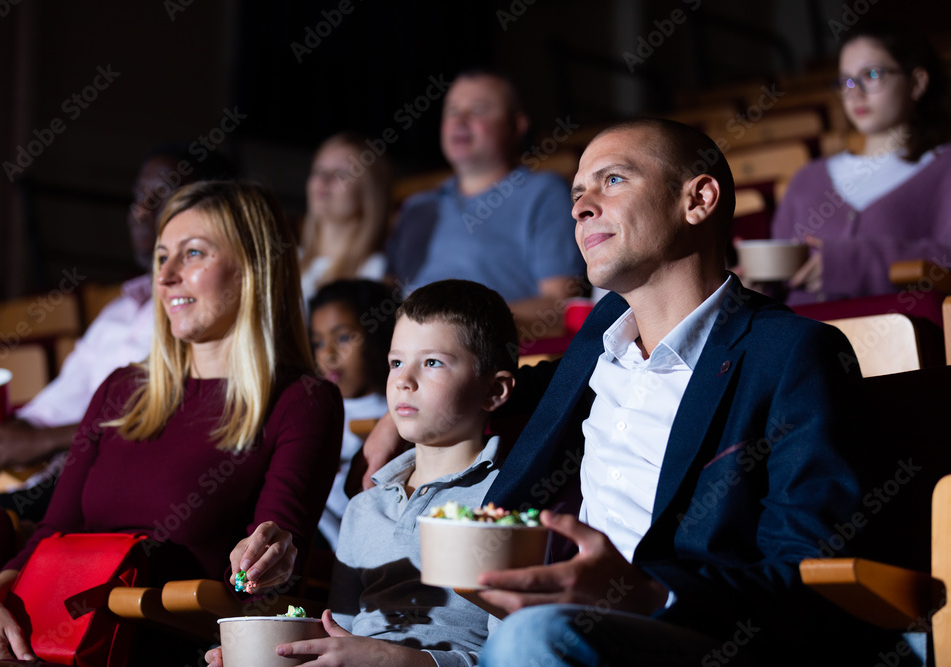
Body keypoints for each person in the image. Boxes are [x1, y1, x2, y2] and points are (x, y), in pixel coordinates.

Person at [366, 119, 873, 665]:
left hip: (699, 633)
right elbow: (525, 387)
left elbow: (810, 568)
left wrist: (651, 593)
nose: (582, 207)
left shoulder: (792, 353)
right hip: (548, 623)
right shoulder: (601, 340)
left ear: (698, 200)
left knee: (529, 639)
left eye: (611, 181)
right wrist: (398, 409)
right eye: (577, 194)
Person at [0, 181, 343, 664]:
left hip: (178, 645)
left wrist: (260, 564)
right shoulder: (120, 389)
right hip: (63, 641)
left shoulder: (303, 400)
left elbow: (269, 579)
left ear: (253, 268)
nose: (164, 276)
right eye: (161, 257)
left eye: (192, 254)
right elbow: (54, 530)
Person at [207, 278, 518, 667]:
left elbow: (515, 654)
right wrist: (277, 653)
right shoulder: (365, 506)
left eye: (433, 362)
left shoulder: (509, 499)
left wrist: (393, 659)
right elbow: (342, 632)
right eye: (396, 362)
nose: (404, 380)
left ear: (494, 391)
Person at [0, 145, 234, 520]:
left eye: (162, 195)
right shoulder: (119, 310)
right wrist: (4, 433)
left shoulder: (202, 314)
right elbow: (62, 399)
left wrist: (40, 441)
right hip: (49, 482)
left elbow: (175, 417)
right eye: (138, 197)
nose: (141, 210)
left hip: (116, 493)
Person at [385, 70, 586, 331]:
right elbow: (387, 296)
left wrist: (452, 323)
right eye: (452, 110)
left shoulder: (544, 192)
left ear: (517, 126)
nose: (460, 121)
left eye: (478, 110)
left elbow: (561, 304)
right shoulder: (418, 207)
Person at [769, 21, 951, 305]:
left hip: (899, 340)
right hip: (799, 343)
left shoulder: (944, 167)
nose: (855, 92)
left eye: (872, 74)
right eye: (846, 81)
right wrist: (751, 285)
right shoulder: (807, 178)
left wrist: (850, 263)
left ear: (917, 82)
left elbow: (946, 259)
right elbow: (777, 288)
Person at [309, 279, 398, 550]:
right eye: (318, 342)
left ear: (380, 337)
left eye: (344, 338)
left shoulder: (396, 409)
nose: (329, 354)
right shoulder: (310, 407)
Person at [300, 132, 392, 302]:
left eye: (340, 173)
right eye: (318, 170)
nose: (324, 179)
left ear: (368, 194)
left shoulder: (374, 271)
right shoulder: (290, 261)